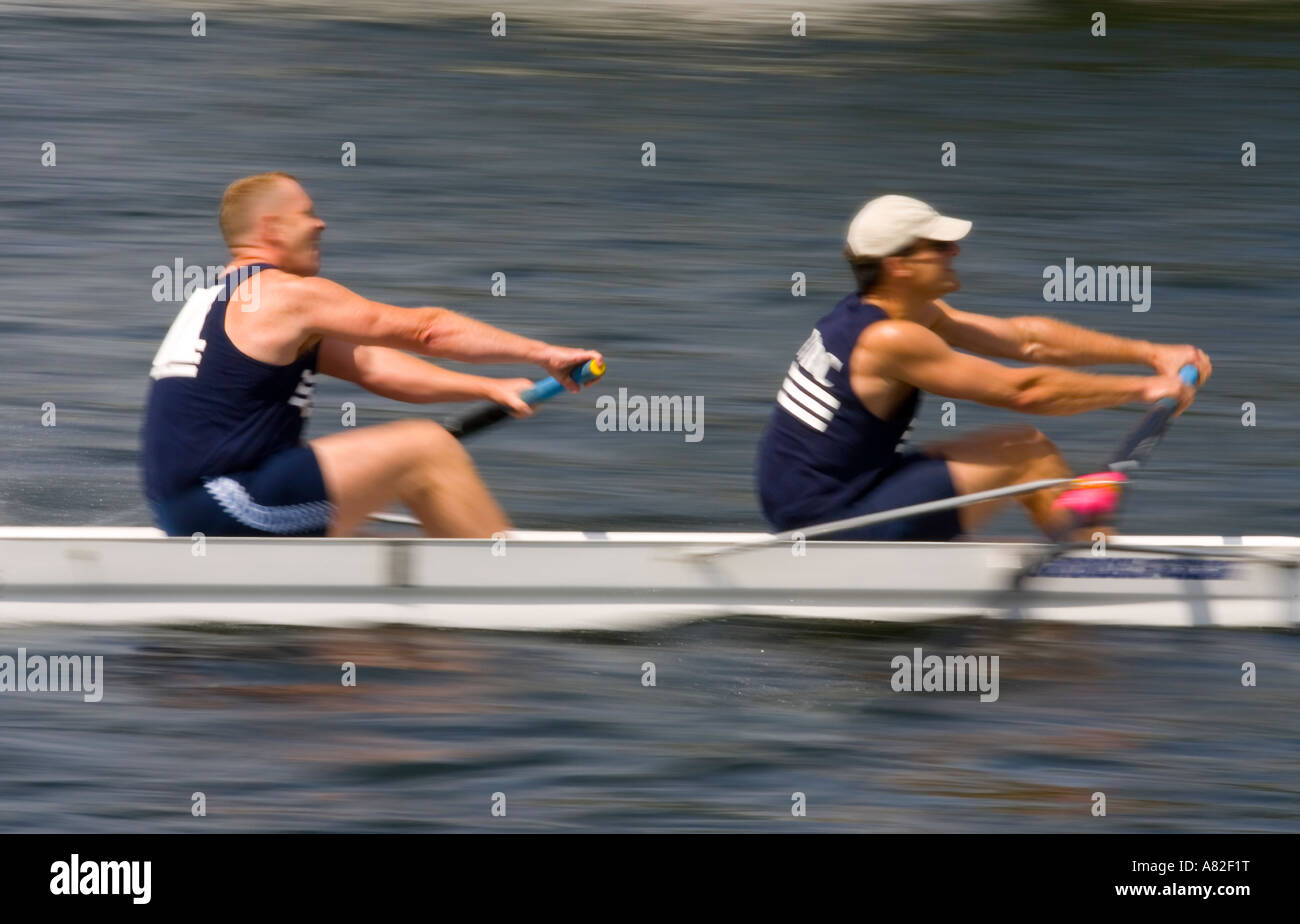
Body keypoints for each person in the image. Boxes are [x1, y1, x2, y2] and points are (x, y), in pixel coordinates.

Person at [142, 171, 601, 538]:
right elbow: (427, 331)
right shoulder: (285, 294)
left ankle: (454, 568)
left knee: (395, 465)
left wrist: (487, 387)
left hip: (189, 507)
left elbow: (374, 366)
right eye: (309, 213)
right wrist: (542, 354)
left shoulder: (217, 300)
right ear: (271, 228)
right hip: (230, 505)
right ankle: (511, 591)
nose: (321, 224)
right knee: (427, 449)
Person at [755, 194, 1211, 540]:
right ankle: (1093, 568)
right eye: (938, 245)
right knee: (1028, 457)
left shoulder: (893, 313)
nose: (954, 250)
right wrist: (1144, 390)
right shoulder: (889, 339)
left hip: (822, 495)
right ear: (899, 266)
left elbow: (1026, 341)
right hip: (825, 518)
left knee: (1022, 445)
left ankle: (1080, 548)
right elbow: (1024, 391)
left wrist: (1152, 354)